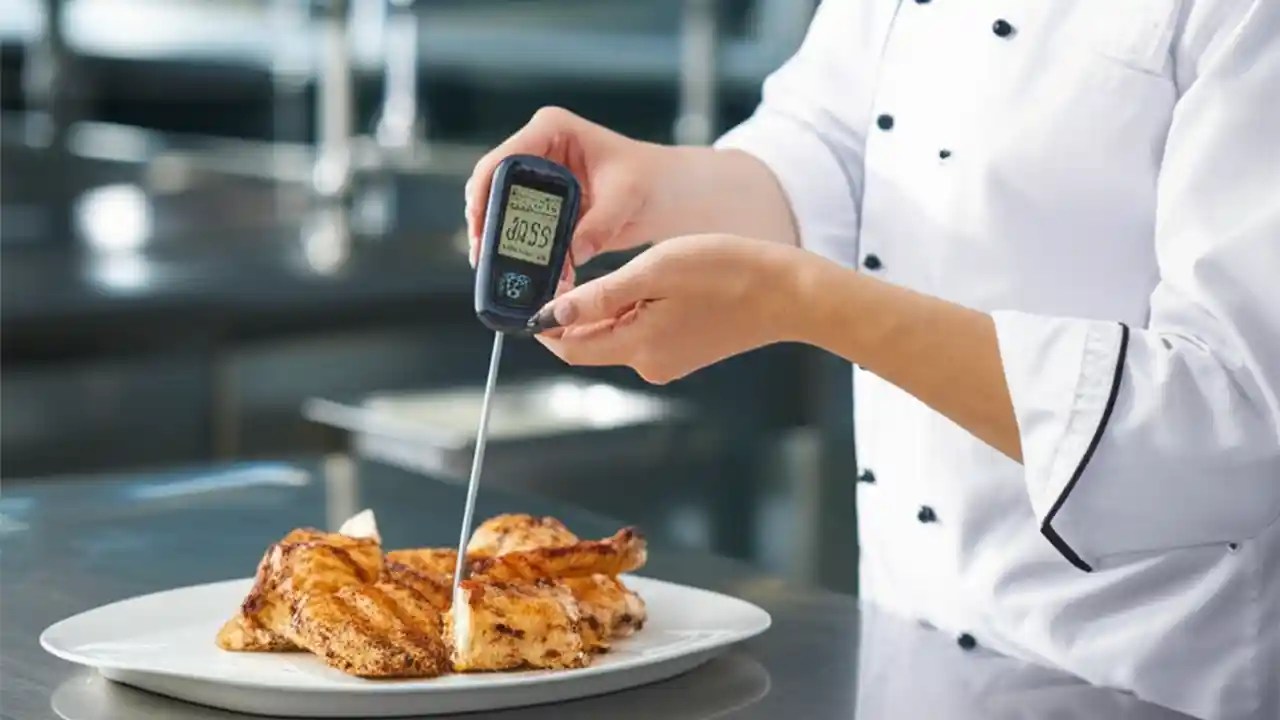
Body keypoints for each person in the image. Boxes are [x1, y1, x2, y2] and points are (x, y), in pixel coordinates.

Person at [464, 2, 1279, 719]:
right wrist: (656, 185)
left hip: (1148, 673)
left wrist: (804, 303)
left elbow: (1238, 420)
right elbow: (835, 145)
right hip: (907, 646)